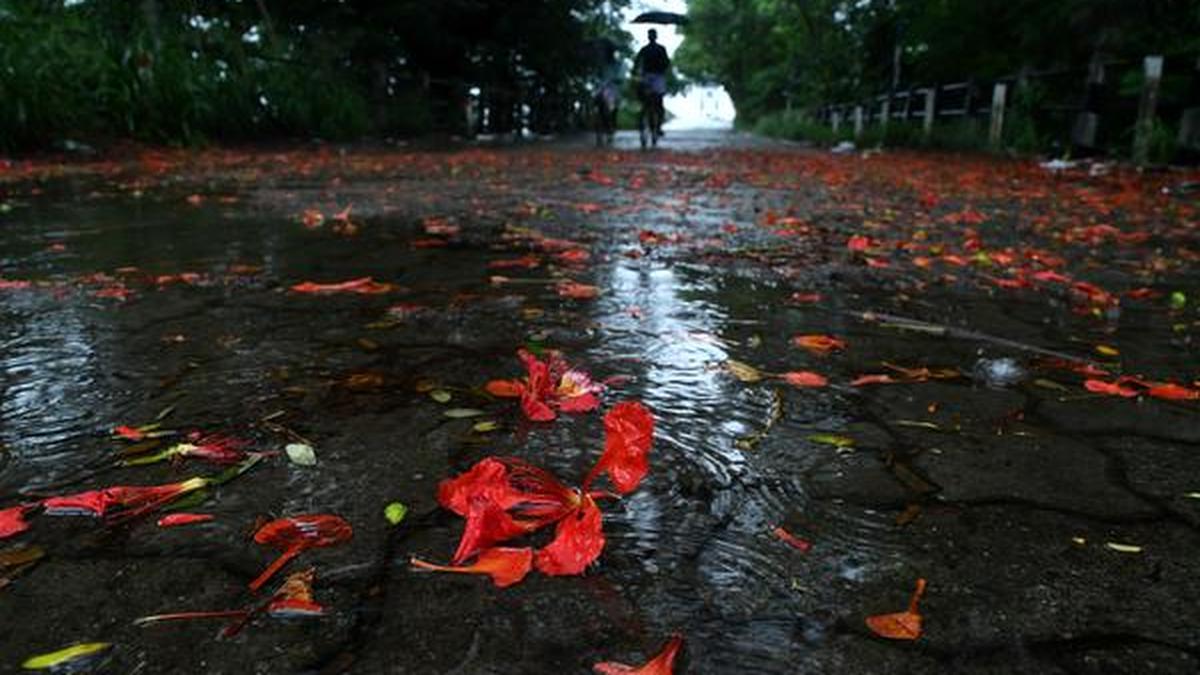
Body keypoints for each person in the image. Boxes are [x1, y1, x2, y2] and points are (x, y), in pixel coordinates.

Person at [632, 29, 670, 139]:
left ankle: (655, 126)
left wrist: (635, 73)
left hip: (649, 77)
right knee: (658, 103)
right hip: (655, 77)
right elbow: (667, 63)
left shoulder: (645, 49)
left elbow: (636, 63)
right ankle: (657, 127)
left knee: (653, 103)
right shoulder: (660, 49)